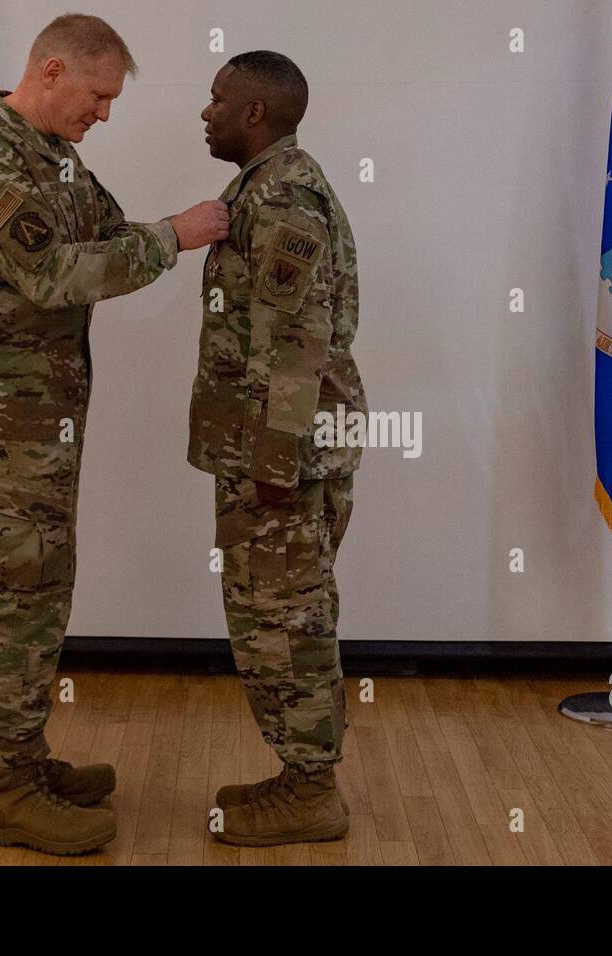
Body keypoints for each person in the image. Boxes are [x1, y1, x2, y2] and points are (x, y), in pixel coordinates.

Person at [0, 13, 227, 856]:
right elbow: (59, 272)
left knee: (43, 585)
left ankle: (23, 759)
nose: (103, 115)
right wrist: (176, 236)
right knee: (22, 592)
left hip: (44, 414)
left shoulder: (52, 159)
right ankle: (6, 791)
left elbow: (107, 233)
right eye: (97, 97)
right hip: (6, 415)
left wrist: (155, 236)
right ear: (52, 72)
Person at [191, 51, 368, 846]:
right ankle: (303, 774)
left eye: (218, 99)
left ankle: (310, 792)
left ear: (255, 113)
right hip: (273, 445)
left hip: (283, 454)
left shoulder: (285, 195)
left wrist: (272, 462)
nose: (207, 112)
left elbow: (296, 341)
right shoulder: (262, 186)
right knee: (282, 610)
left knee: (283, 617)